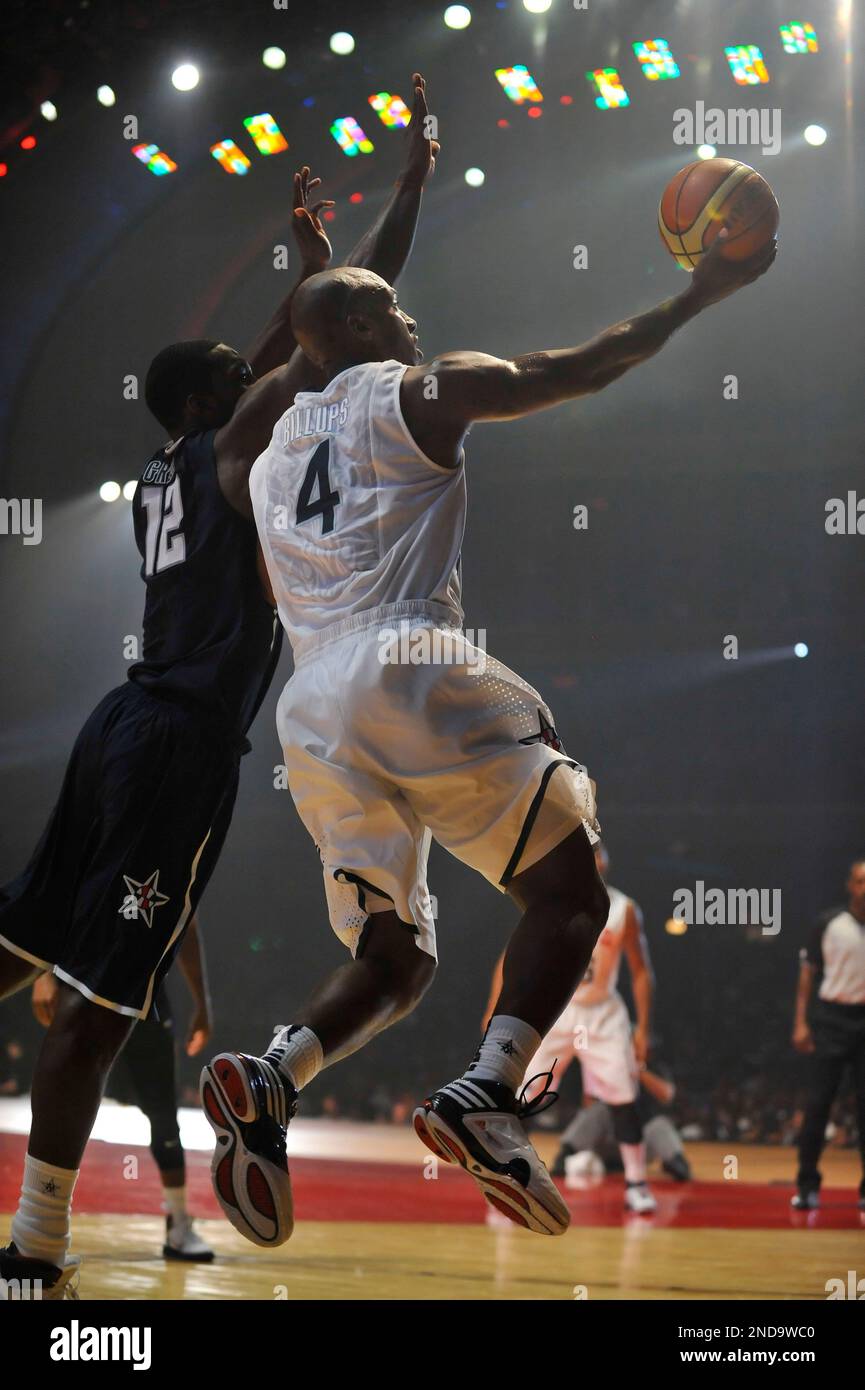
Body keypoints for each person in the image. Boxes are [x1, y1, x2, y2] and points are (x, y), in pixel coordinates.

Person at [199, 192, 776, 1241]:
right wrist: (702, 292)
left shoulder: (260, 457)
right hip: (410, 657)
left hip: (312, 707)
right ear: (363, 332)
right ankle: (485, 1096)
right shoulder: (423, 388)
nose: (408, 314)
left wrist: (312, 279)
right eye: (388, 304)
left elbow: (269, 383)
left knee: (398, 957)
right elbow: (583, 365)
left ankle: (277, 1072)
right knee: (568, 895)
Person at [0, 87, 435, 1299]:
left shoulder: (166, 470)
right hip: (179, 738)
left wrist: (321, 250)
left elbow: (319, 320)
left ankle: (37, 1236)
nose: (272, 370)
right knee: (93, 1005)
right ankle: (35, 1245)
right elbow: (332, 325)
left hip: (118, 719)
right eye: (247, 371)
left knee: (21, 939)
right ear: (213, 400)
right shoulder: (234, 443)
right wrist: (392, 206)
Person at [485, 843, 659, 1212]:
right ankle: (511, 1179)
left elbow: (641, 971)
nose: (596, 858)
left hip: (603, 1014)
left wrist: (643, 1028)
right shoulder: (550, 902)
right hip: (557, 1007)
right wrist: (494, 1010)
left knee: (624, 1098)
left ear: (607, 861)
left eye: (601, 851)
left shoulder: (624, 909)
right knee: (523, 1096)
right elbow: (508, 959)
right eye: (589, 850)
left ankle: (637, 1183)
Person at [31, 915, 215, 1261]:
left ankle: (178, 1223)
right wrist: (43, 974)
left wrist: (202, 1003)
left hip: (145, 991)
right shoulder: (99, 859)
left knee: (164, 1113)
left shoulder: (178, 862)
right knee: (61, 1105)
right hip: (85, 982)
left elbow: (187, 924)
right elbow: (63, 896)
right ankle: (40, 1228)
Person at [791, 858, 865, 1211]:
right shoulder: (828, 924)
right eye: (861, 881)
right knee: (818, 1105)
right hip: (832, 1019)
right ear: (850, 885)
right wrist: (801, 1022)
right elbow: (808, 975)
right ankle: (807, 1185)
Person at [553, 1066, 691, 1184]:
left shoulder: (656, 1068)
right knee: (598, 1110)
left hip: (640, 1144)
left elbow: (667, 1095)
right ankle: (566, 1153)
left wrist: (639, 1071)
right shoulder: (605, 1065)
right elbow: (588, 1104)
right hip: (609, 1140)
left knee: (660, 1125)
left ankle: (675, 1160)